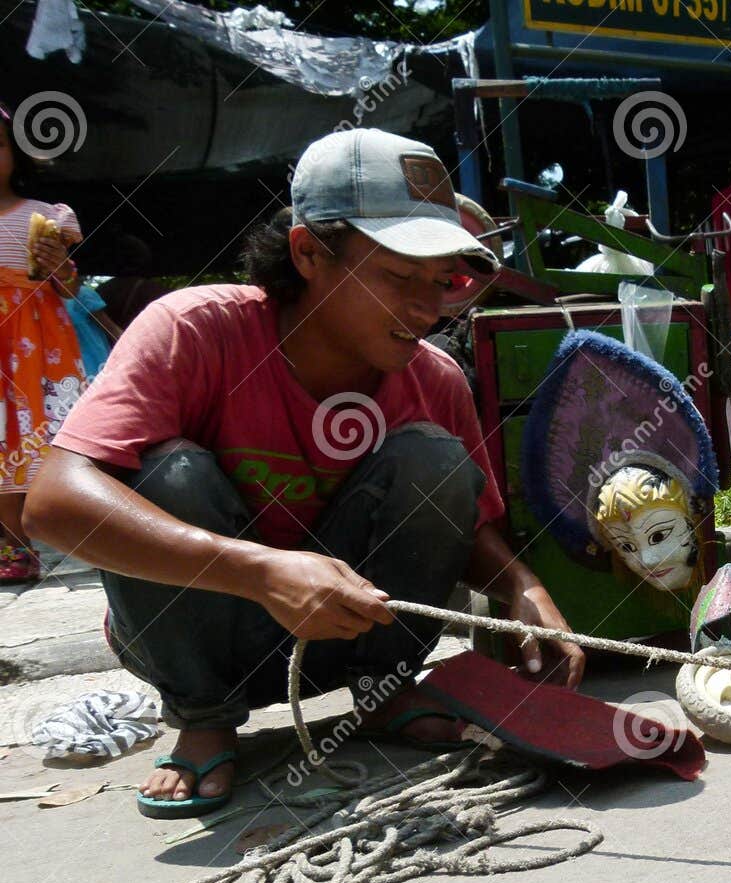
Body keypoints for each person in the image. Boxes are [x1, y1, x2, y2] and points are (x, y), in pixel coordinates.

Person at [25, 129, 584, 819]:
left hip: (342, 634)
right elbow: (52, 502)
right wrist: (260, 570)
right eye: (397, 277)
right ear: (309, 253)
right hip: (200, 635)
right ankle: (205, 714)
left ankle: (382, 691)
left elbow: (466, 528)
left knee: (434, 458)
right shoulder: (194, 329)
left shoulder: (433, 377)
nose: (425, 307)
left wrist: (520, 587)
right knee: (169, 472)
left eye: (441, 282)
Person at [0, 101, 87, 583]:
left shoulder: (42, 217)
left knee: (26, 438)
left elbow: (69, 289)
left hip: (33, 346)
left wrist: (59, 264)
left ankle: (18, 546)